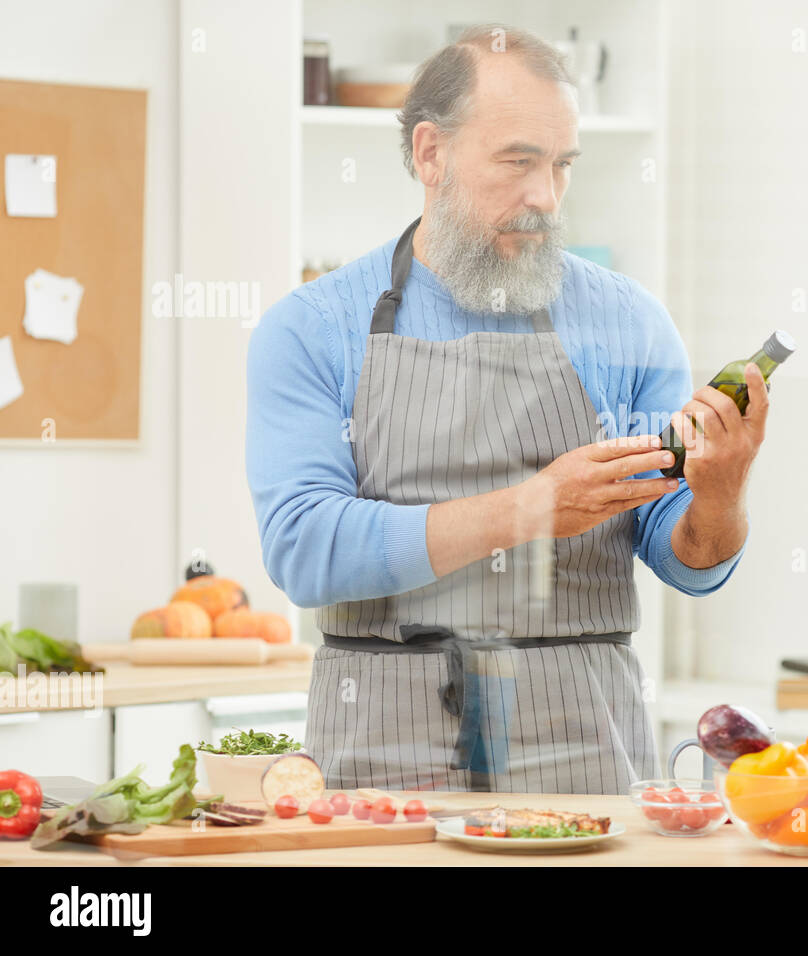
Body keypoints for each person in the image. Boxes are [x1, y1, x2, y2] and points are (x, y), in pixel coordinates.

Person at [245, 24, 770, 794]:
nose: (544, 197)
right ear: (431, 154)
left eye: (561, 166)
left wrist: (721, 495)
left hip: (586, 754)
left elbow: (684, 559)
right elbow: (304, 548)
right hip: (381, 761)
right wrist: (527, 510)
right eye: (518, 161)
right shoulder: (313, 328)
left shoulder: (631, 322)